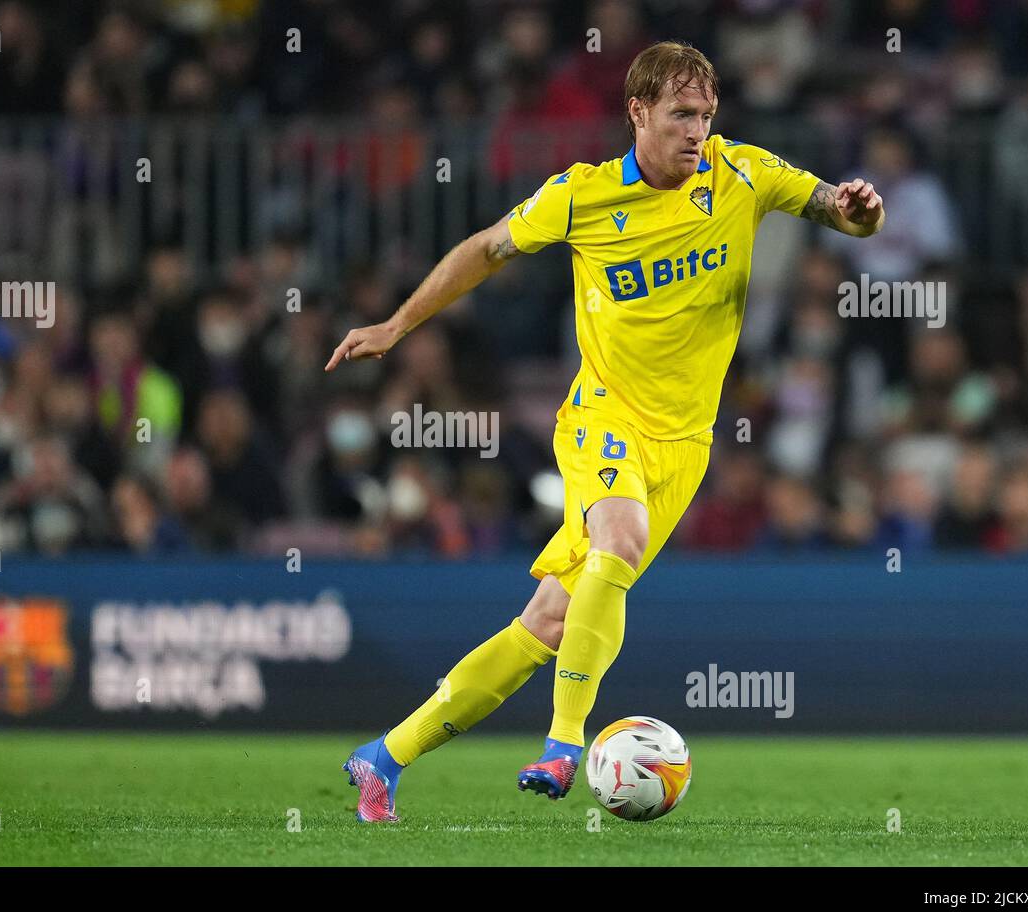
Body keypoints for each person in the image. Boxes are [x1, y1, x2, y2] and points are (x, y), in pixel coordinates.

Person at [325, 41, 885, 823]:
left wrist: (860, 212)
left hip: (685, 447)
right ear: (638, 112)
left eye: (706, 116)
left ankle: (383, 758)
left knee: (550, 622)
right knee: (617, 541)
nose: (697, 132)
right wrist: (396, 323)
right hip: (603, 418)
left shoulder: (743, 175)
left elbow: (834, 207)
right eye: (681, 115)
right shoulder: (581, 196)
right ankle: (564, 745)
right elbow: (487, 249)